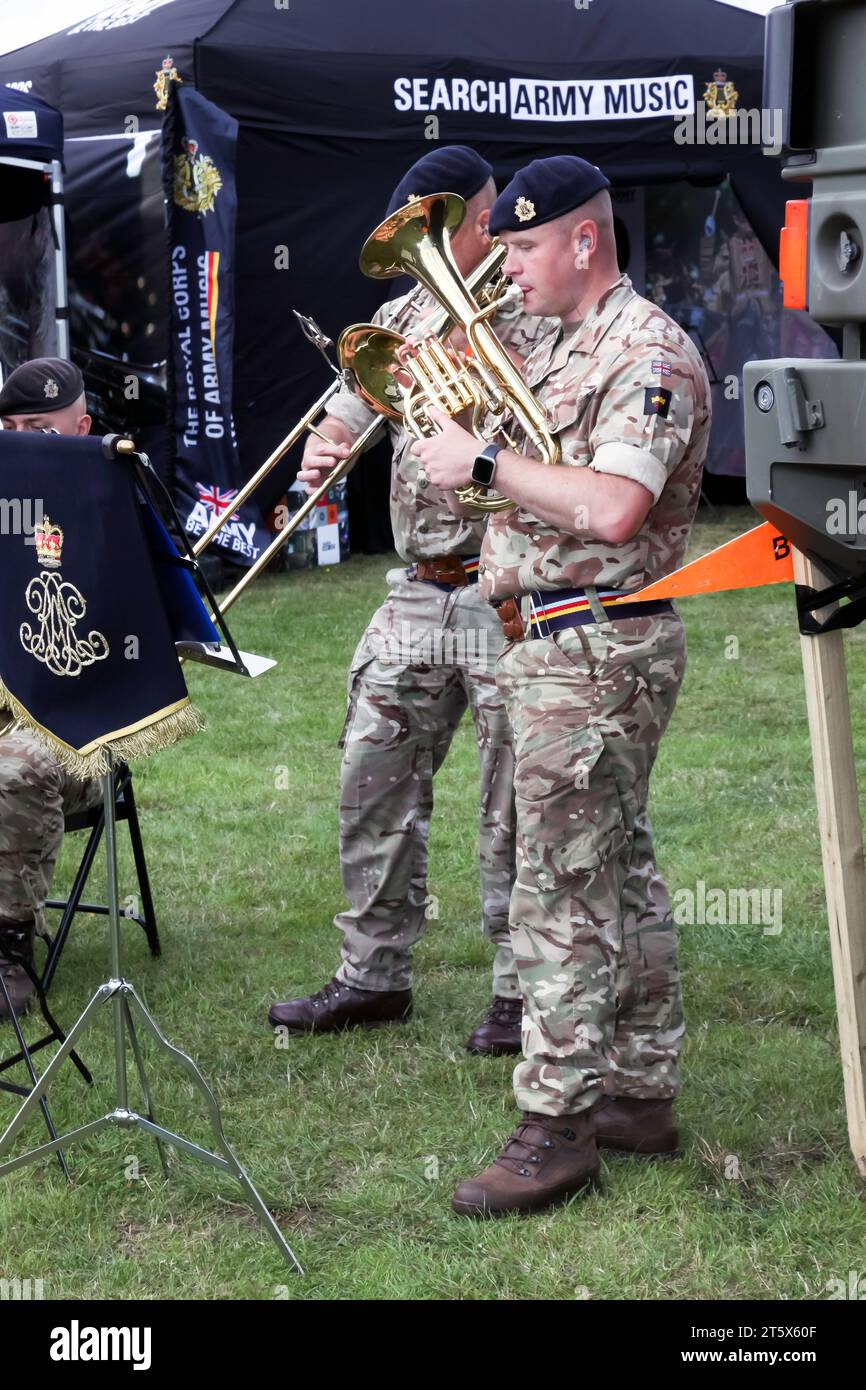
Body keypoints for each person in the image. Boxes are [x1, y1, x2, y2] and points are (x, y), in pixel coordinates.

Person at [414, 156, 711, 1216]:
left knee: (558, 890)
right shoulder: (552, 345)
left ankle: (556, 1124)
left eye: (524, 247)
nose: (507, 268)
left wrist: (487, 464)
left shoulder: (644, 351)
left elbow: (617, 506)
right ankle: (637, 1091)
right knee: (615, 864)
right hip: (555, 641)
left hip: (595, 642)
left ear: (583, 241)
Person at [268, 147, 554, 1053]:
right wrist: (325, 447)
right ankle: (373, 975)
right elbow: (349, 407)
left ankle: (519, 990)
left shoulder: (533, 307)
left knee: (515, 797)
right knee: (372, 770)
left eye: (446, 220)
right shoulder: (404, 310)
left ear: (487, 211)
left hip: (512, 580)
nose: (443, 240)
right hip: (422, 587)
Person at [0, 357, 103, 1020]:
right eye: (11, 429)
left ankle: (8, 951)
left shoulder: (111, 501)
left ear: (82, 425)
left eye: (41, 427)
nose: (24, 441)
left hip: (83, 726)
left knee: (17, 764)